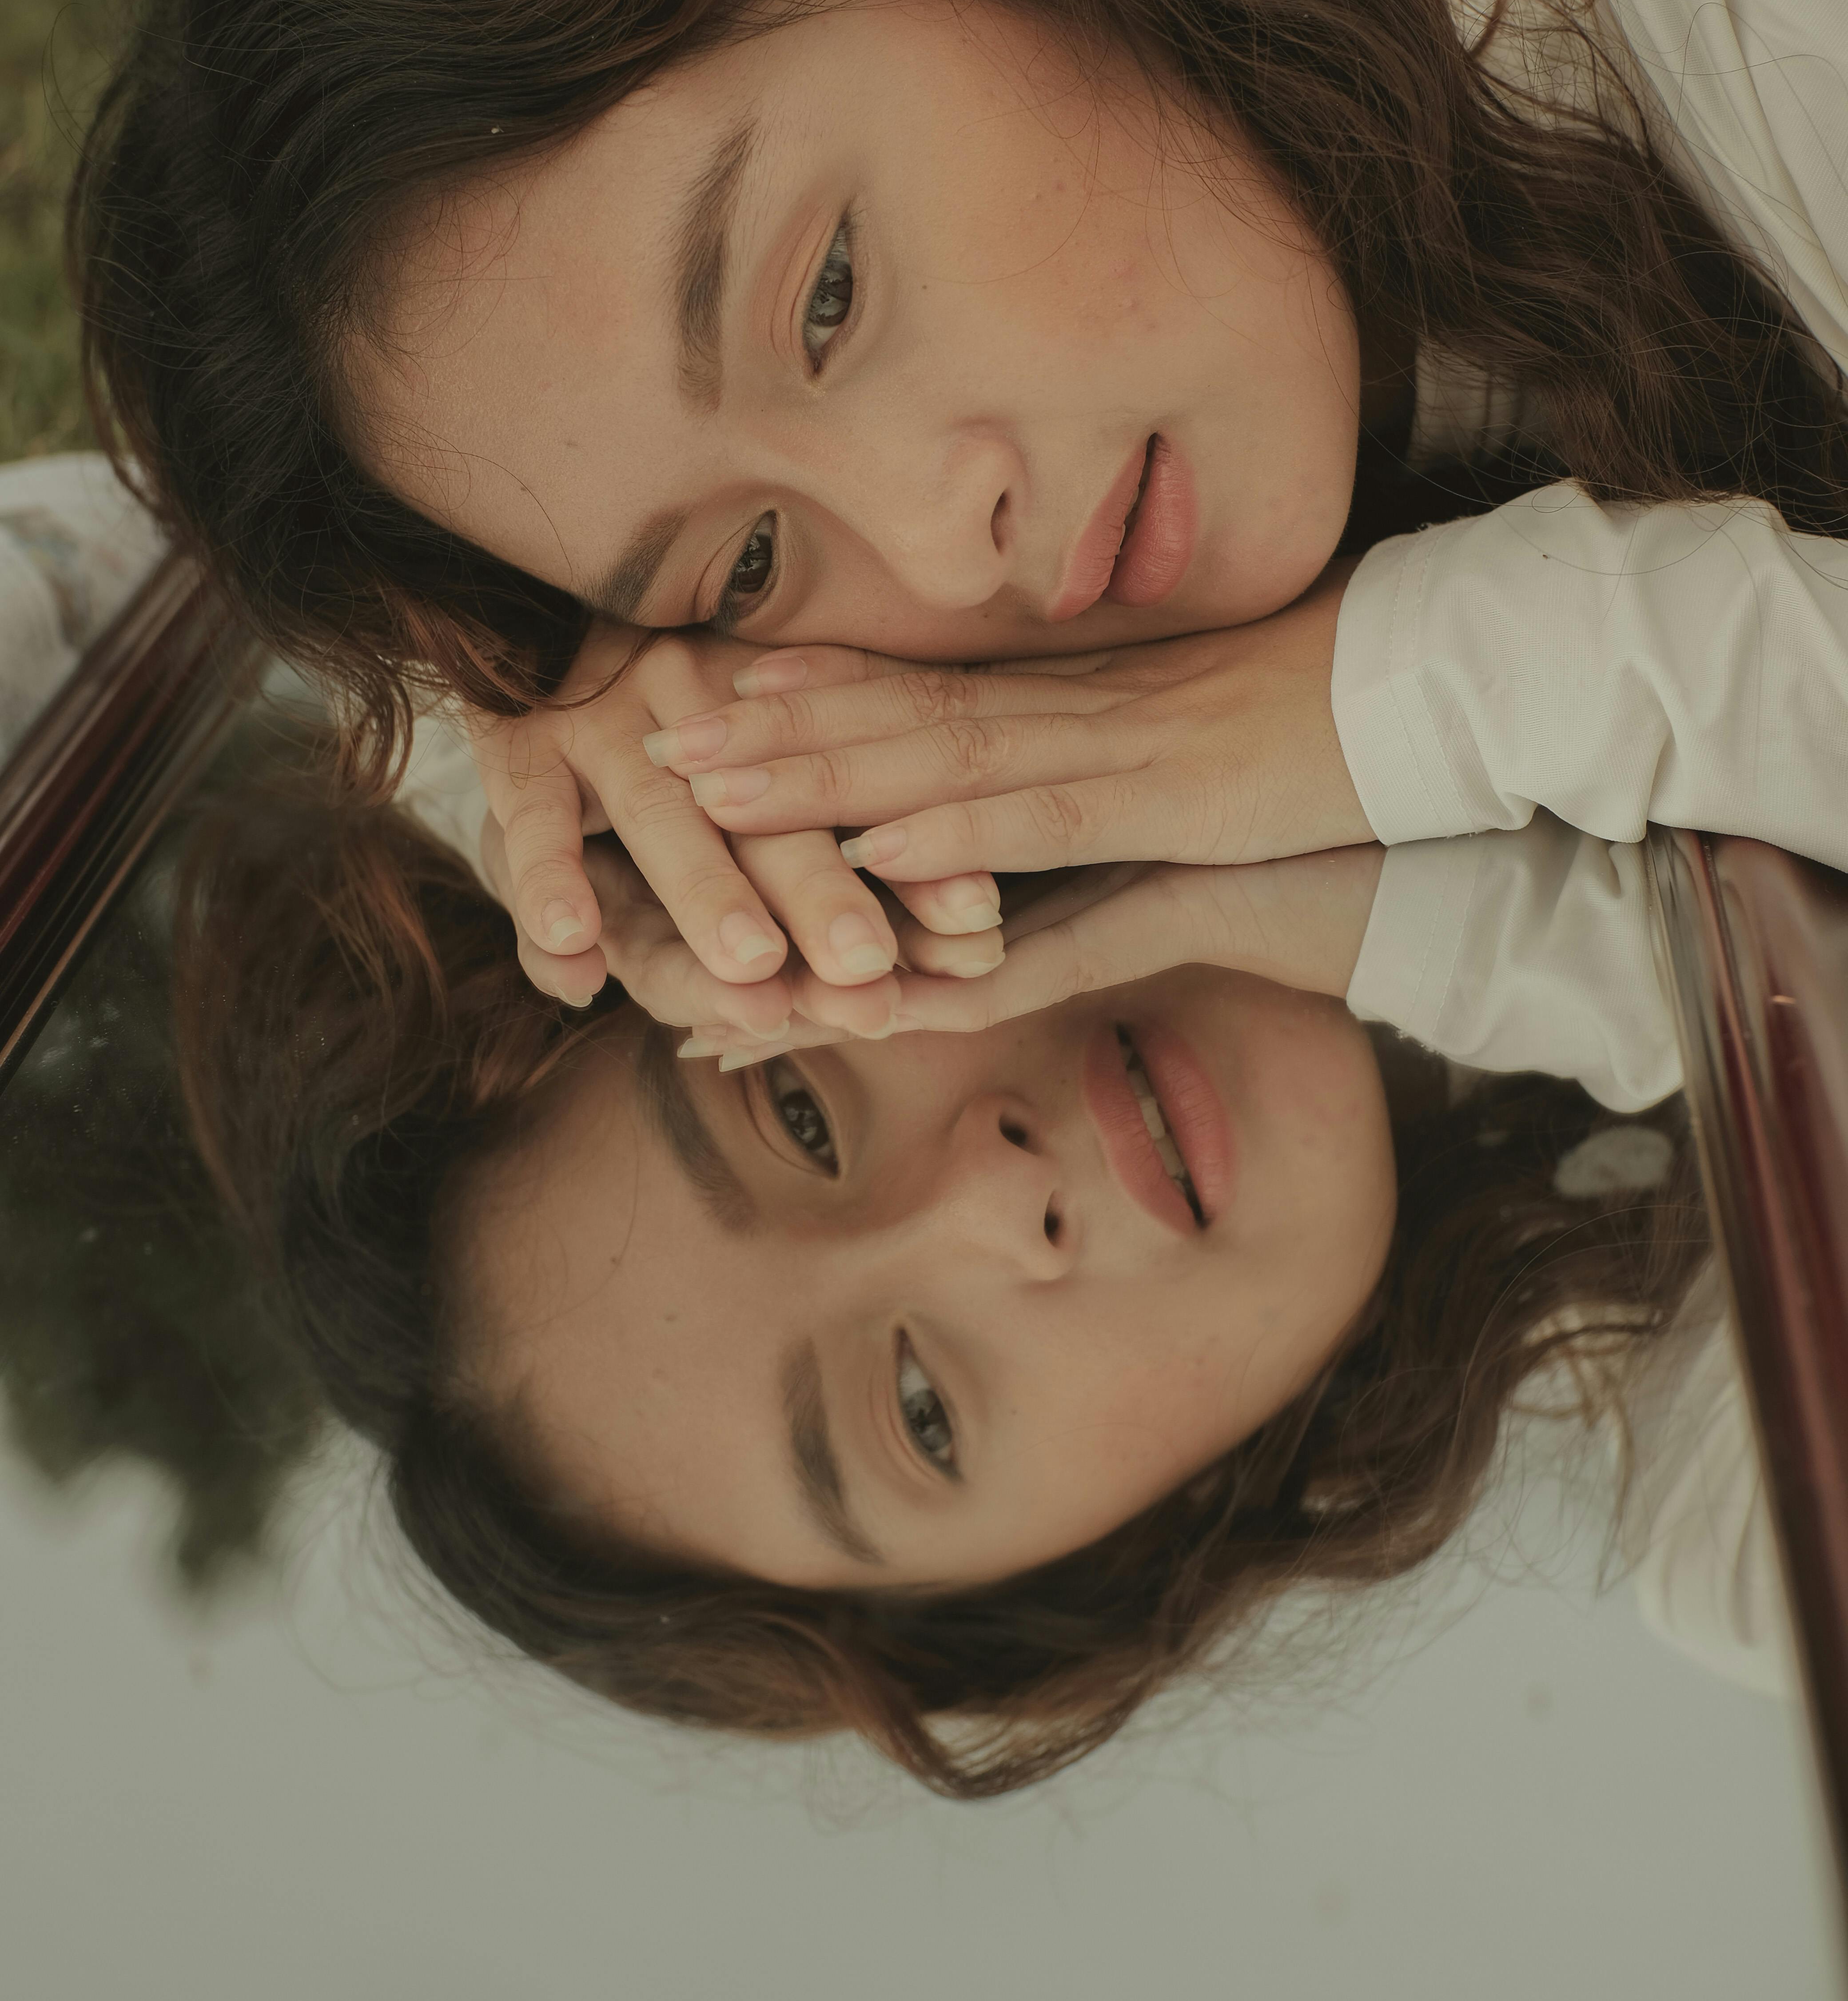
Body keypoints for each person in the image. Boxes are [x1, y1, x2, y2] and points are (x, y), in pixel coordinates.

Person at [66, 0, 1848, 1070]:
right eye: (747, 562)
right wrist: (567, 730)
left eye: (827, 295)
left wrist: (1377, 695)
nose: (941, 534)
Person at [179, 761, 1752, 1802]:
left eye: (793, 1109)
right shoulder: (1763, 1501)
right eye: (921, 1412)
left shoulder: (1345, 402)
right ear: (1118, 1562)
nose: (994, 1197)